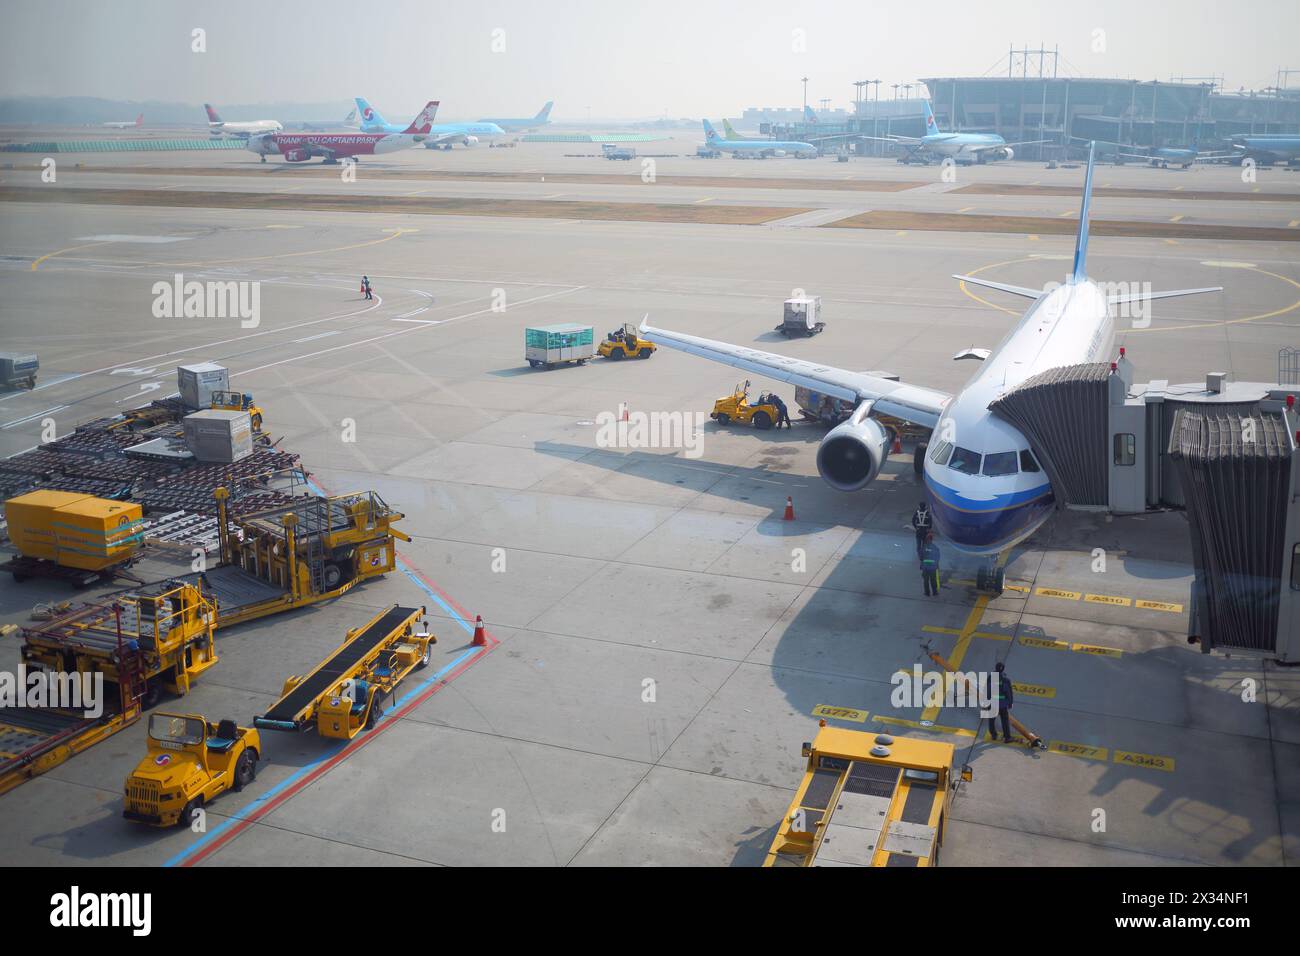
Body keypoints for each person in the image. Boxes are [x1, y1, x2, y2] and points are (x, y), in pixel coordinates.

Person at [987, 662, 1014, 742]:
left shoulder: (990, 678)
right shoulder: (1005, 680)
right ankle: (1007, 737)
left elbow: (987, 690)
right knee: (1005, 721)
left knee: (991, 720)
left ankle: (993, 735)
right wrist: (1010, 703)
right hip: (1002, 704)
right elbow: (1009, 693)